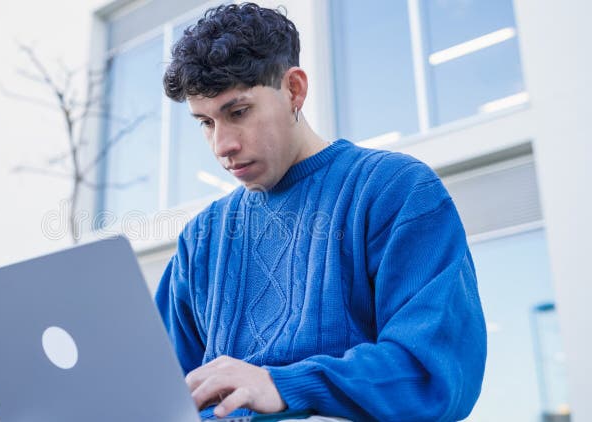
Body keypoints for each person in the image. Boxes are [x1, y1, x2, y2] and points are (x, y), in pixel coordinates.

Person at [155, 3, 486, 421]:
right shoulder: (201, 239)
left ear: (294, 90)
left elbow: (434, 373)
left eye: (237, 113)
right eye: (205, 122)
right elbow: (161, 395)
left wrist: (280, 384)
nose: (222, 145)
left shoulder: (395, 191)